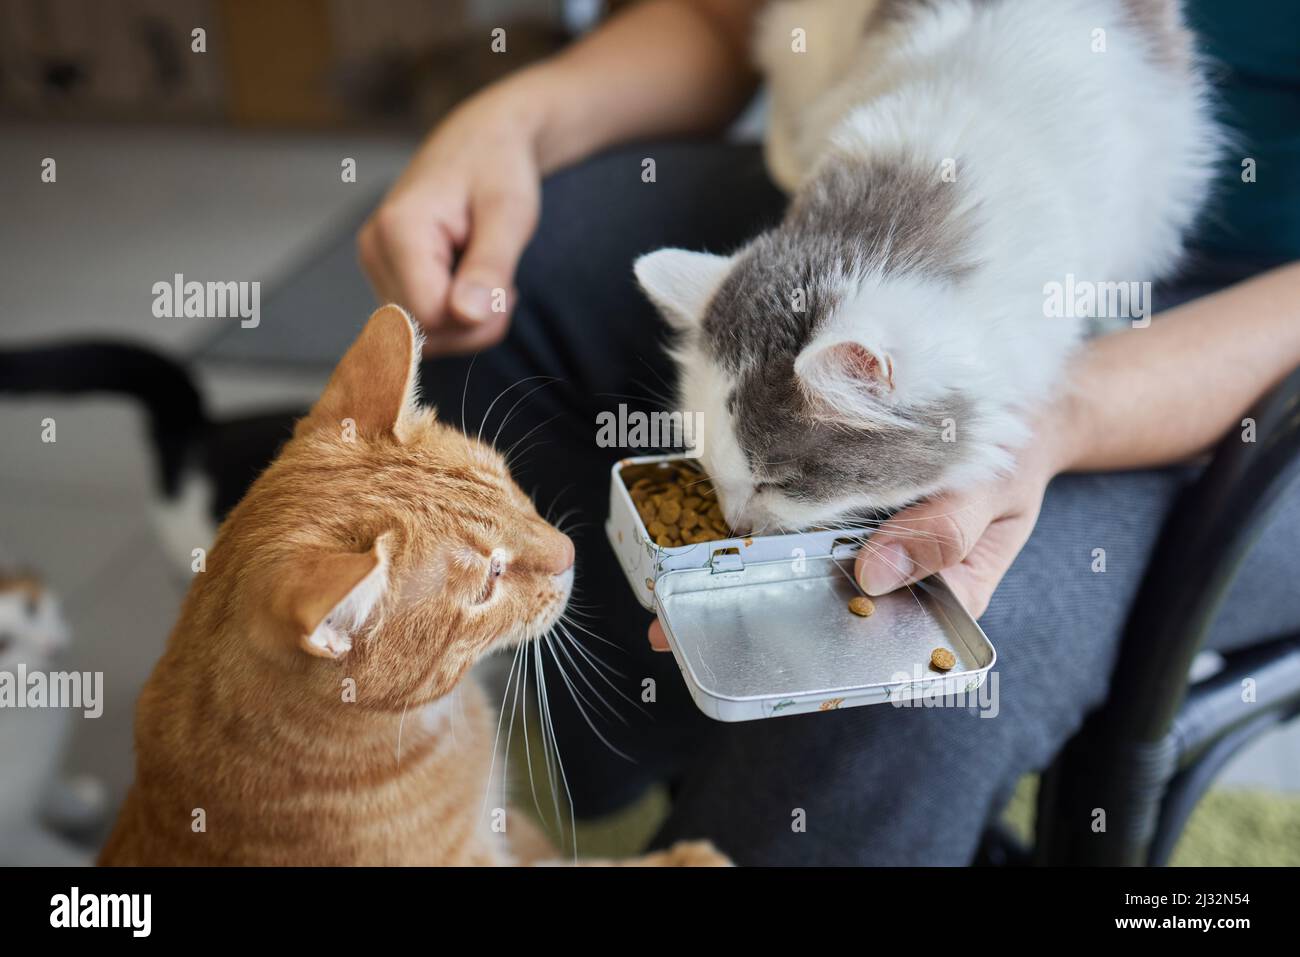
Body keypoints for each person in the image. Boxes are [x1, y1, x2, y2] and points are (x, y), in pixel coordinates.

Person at [356, 0, 1300, 864]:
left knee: (901, 650)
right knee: (507, 299)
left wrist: (1059, 416)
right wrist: (504, 124)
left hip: (1246, 331)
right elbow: (729, 22)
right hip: (880, 196)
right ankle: (635, 757)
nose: (738, 520)